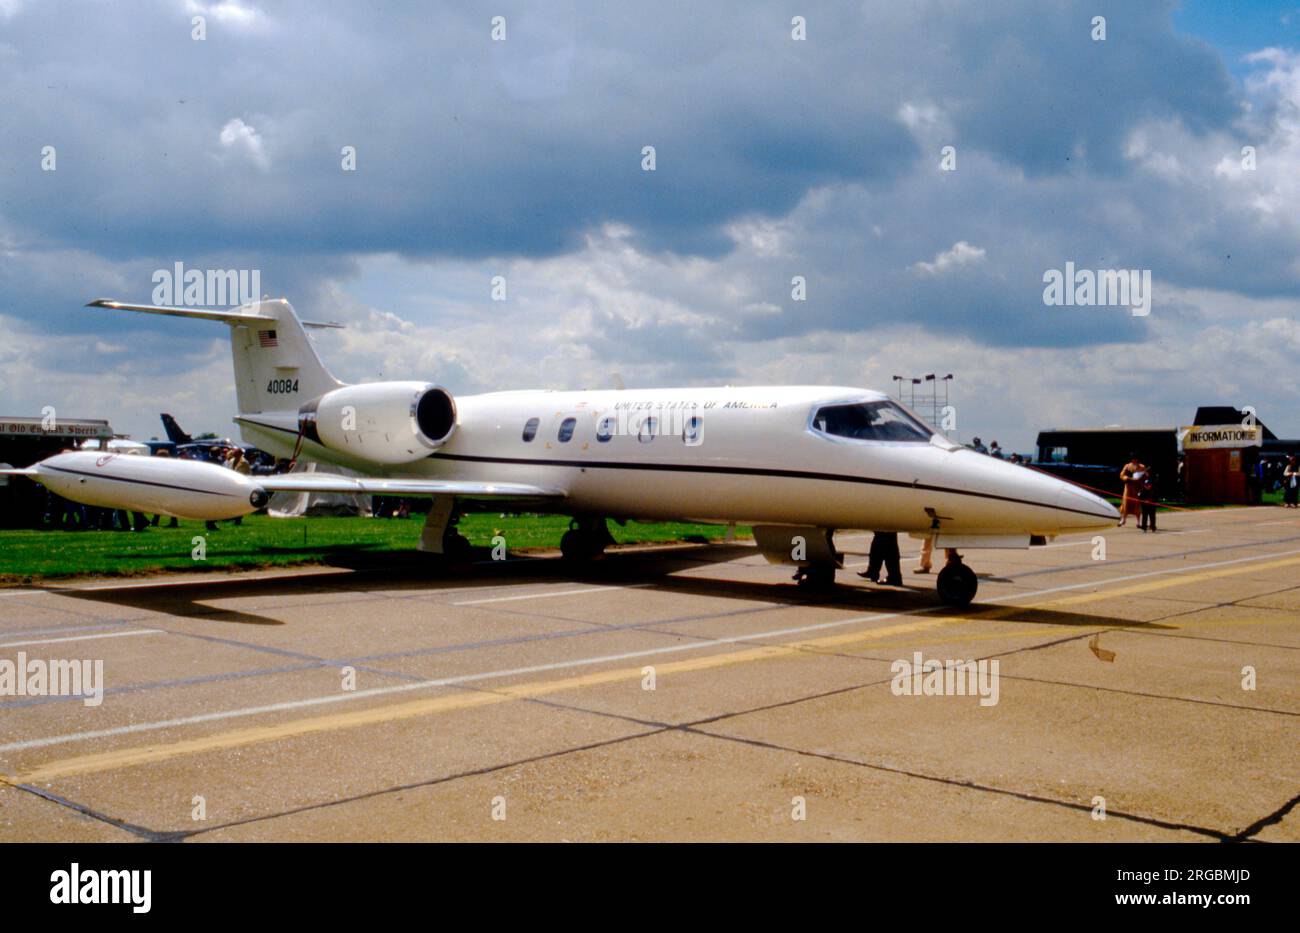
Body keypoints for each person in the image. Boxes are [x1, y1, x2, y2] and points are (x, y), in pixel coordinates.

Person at [1118, 452, 1146, 527]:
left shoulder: (1142, 466)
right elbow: (1121, 474)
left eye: (1135, 459)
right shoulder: (1127, 466)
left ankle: (1138, 522)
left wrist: (1140, 478)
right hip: (1128, 487)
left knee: (1136, 504)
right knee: (1125, 503)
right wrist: (1126, 478)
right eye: (1133, 459)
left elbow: (1145, 476)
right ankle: (1123, 519)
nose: (1134, 460)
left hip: (1136, 488)